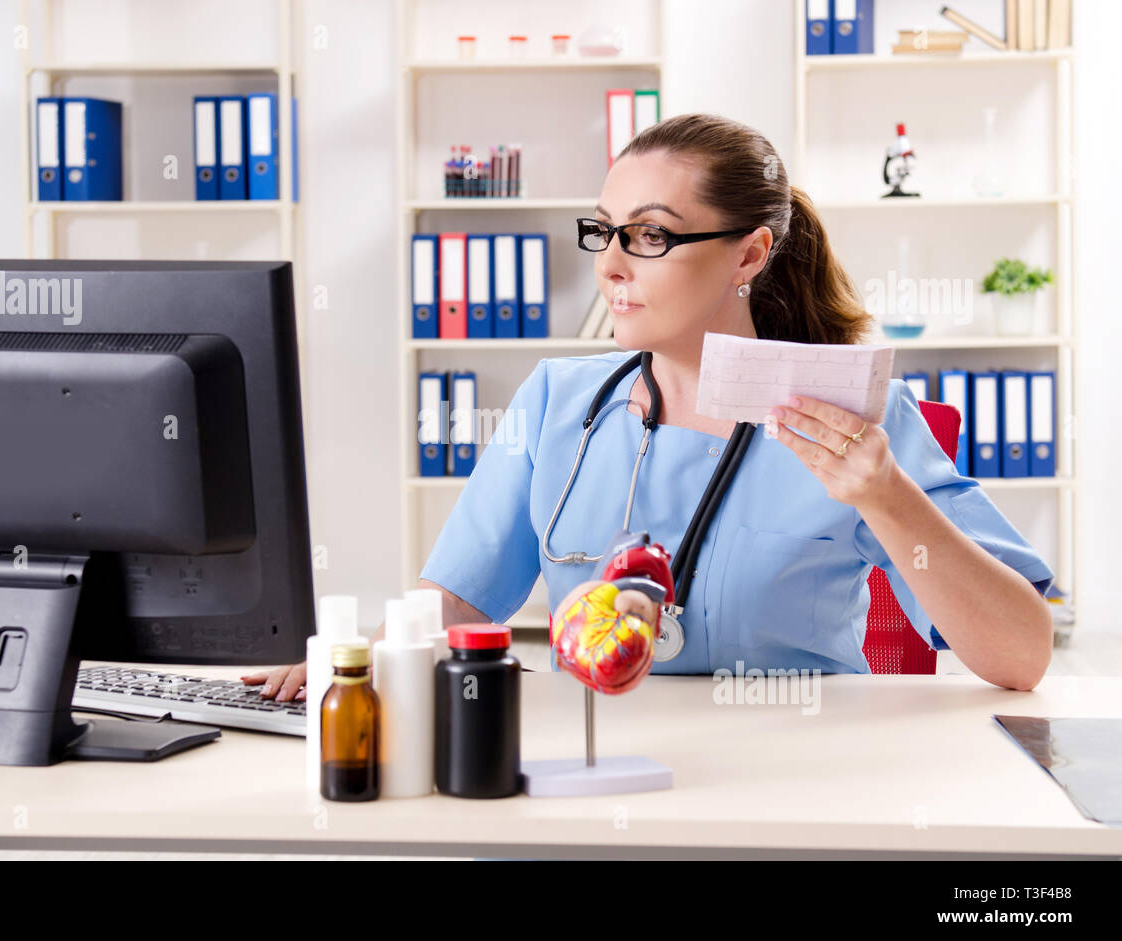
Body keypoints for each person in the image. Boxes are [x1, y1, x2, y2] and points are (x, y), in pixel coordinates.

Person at [246, 112, 1055, 701]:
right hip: (593, 767)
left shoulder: (853, 416)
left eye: (653, 236)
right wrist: (350, 654)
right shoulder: (559, 403)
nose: (612, 266)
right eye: (604, 233)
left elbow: (1021, 655)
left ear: (749, 254)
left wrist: (887, 496)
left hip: (795, 775)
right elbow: (459, 597)